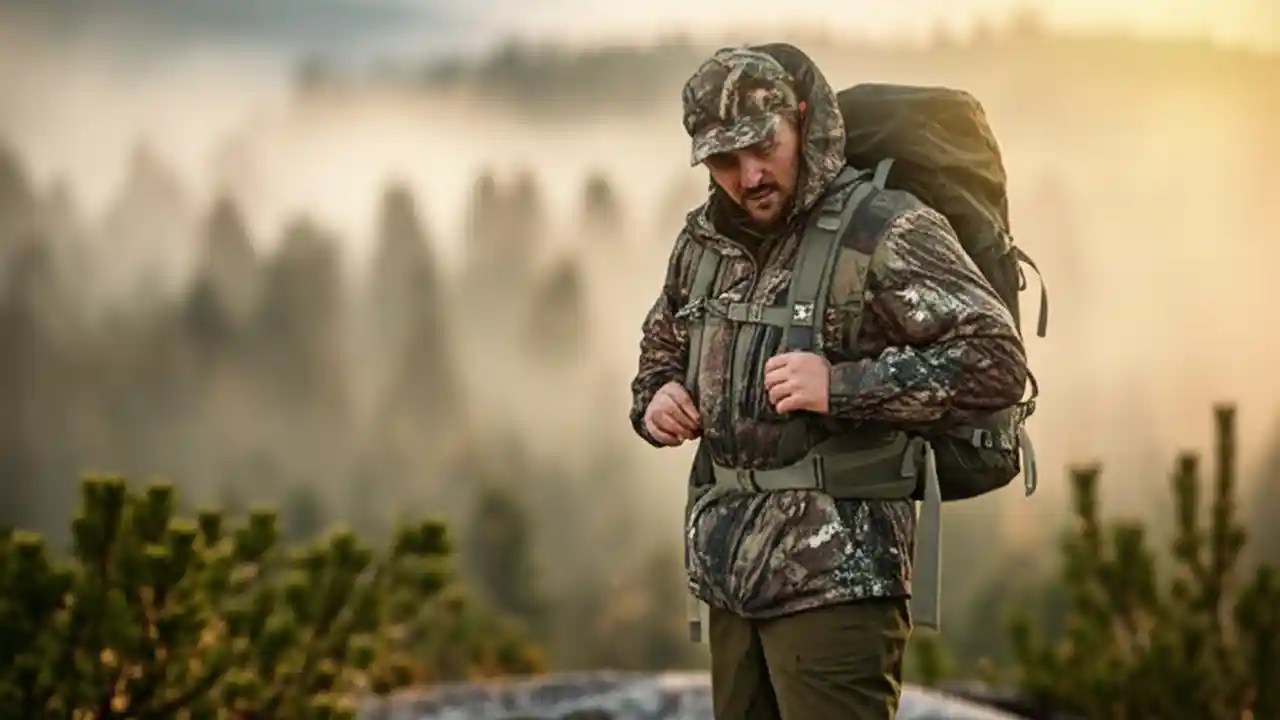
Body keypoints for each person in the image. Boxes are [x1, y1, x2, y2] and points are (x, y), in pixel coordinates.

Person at [628, 43, 1030, 719]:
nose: (748, 174)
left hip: (839, 581)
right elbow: (659, 349)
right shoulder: (703, 242)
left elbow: (995, 360)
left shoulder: (885, 228)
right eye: (724, 160)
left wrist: (840, 387)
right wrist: (656, 399)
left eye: (763, 146)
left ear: (803, 121)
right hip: (729, 584)